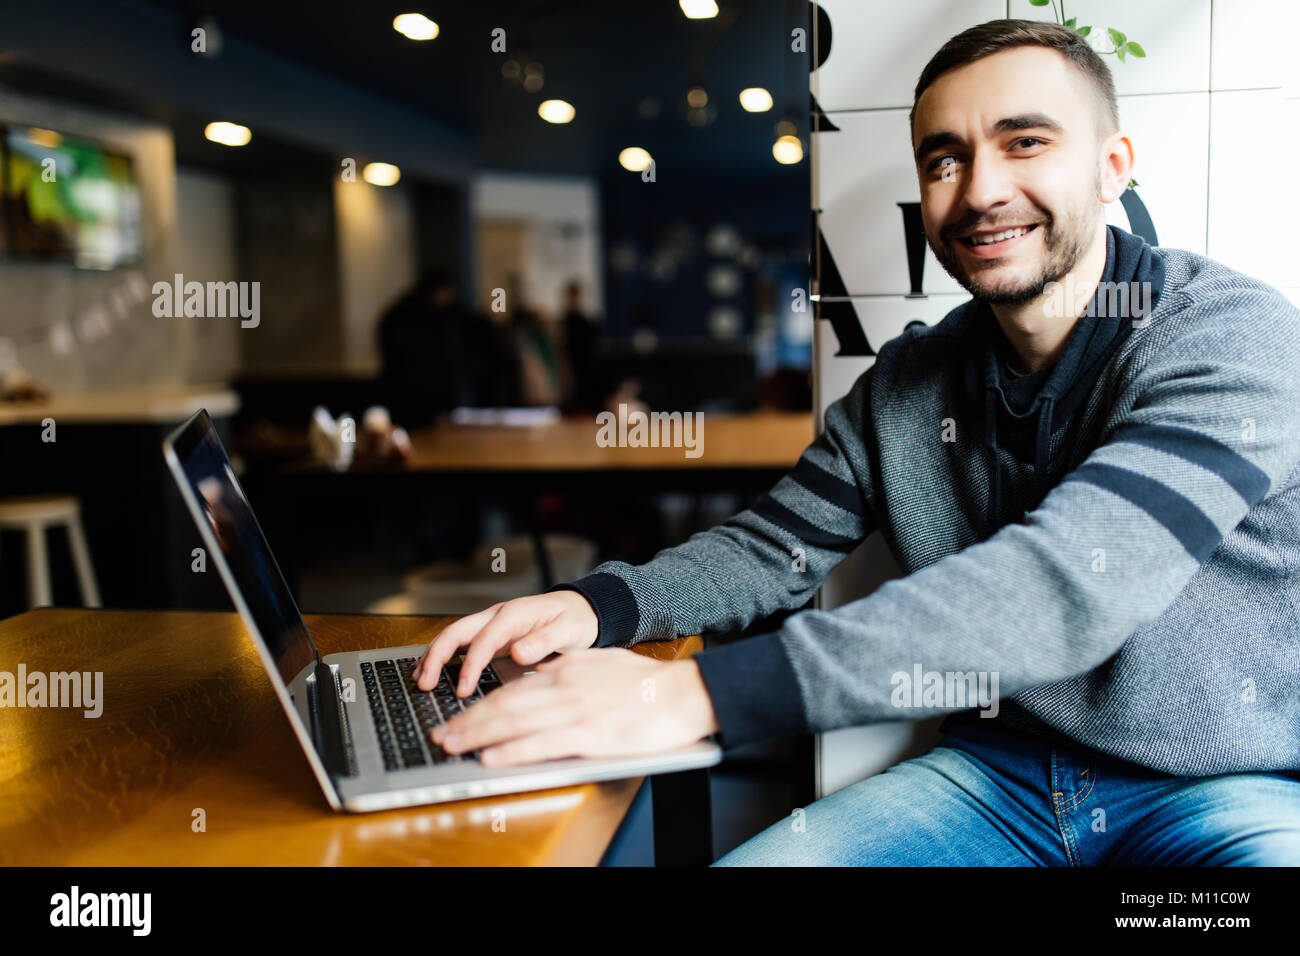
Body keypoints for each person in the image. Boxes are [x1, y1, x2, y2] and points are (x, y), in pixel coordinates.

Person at [409, 19, 1300, 865]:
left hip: (1228, 789)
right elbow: (770, 549)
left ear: (1114, 168)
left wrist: (696, 698)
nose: (982, 188)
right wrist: (598, 607)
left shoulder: (1231, 336)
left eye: (1025, 142)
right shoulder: (910, 382)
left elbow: (1072, 583)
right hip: (998, 780)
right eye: (945, 158)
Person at [376, 269, 477, 427]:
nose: (449, 298)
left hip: (409, 398)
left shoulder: (400, 313)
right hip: (416, 401)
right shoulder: (415, 317)